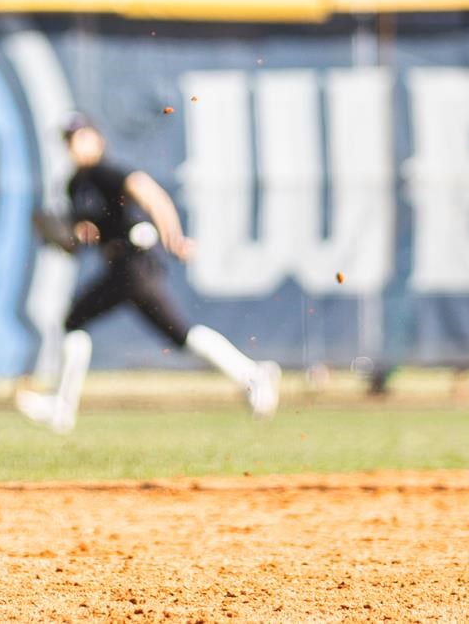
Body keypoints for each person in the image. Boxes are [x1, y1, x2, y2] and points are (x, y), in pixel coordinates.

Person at [16, 114, 279, 434]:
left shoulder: (104, 171)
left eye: (81, 137)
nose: (75, 145)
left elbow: (151, 193)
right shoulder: (75, 185)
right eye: (70, 140)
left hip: (135, 262)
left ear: (98, 139)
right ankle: (251, 374)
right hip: (120, 268)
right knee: (179, 335)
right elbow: (82, 239)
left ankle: (62, 406)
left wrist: (174, 236)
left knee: (76, 322)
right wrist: (63, 237)